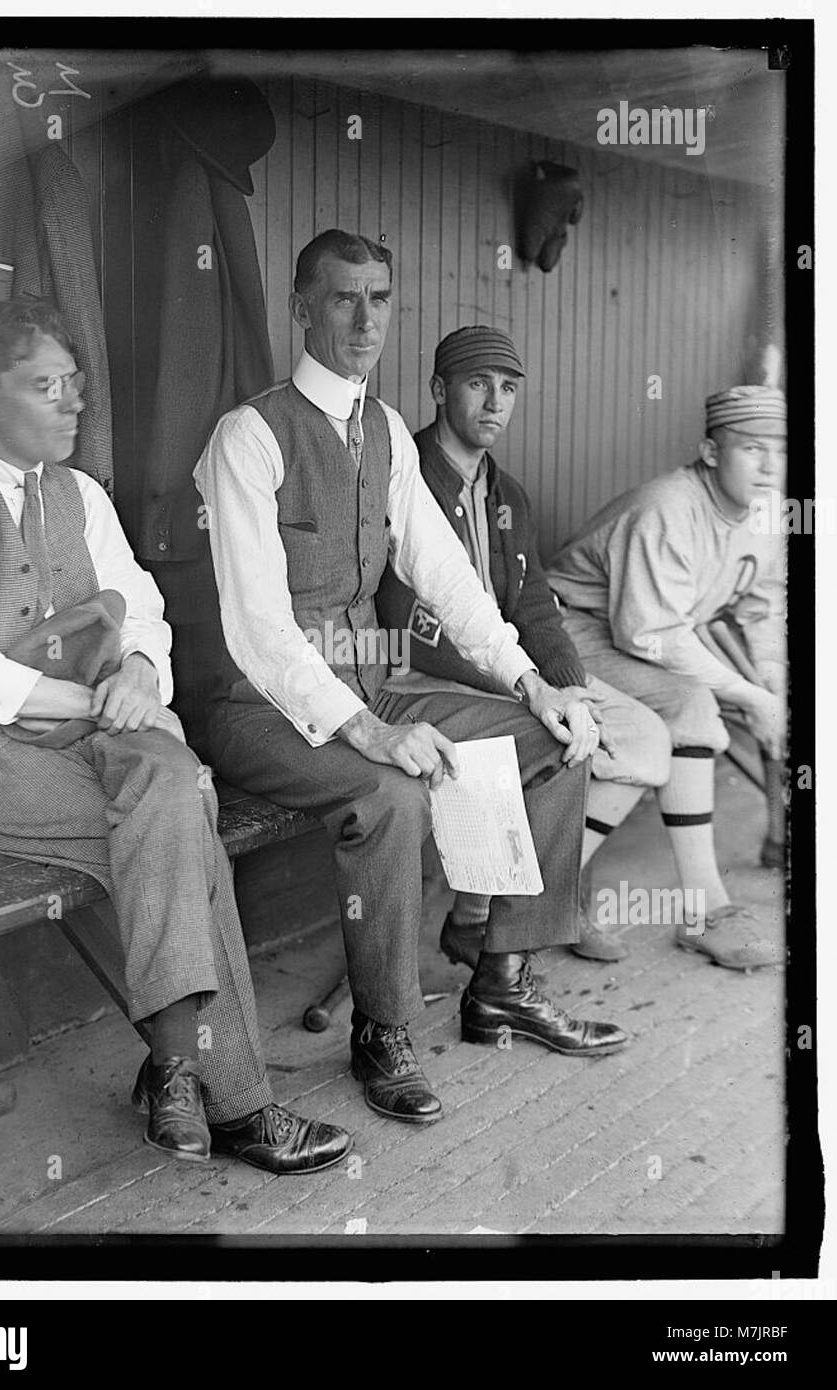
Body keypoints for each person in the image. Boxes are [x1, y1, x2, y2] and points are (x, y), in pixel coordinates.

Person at [195, 229, 628, 1131]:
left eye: (379, 298)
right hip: (258, 701)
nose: (364, 319)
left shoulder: (387, 430)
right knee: (389, 793)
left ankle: (501, 979)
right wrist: (367, 730)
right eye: (343, 298)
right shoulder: (250, 435)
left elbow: (447, 575)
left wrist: (530, 683)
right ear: (302, 307)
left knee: (553, 739)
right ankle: (383, 1031)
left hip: (370, 677)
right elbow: (259, 631)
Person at [0, 297, 352, 1174]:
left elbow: (145, 611)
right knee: (182, 808)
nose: (73, 403)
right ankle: (228, 1096)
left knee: (173, 790)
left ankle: (176, 1071)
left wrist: (137, 674)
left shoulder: (80, 493)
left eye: (74, 384)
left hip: (99, 723)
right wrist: (102, 705)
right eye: (44, 386)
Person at [375, 324, 673, 965]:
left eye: (508, 388)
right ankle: (507, 930)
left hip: (518, 676)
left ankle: (491, 909)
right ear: (438, 389)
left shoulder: (508, 494)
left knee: (642, 739)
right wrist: (529, 691)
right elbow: (407, 623)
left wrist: (569, 686)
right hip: (421, 683)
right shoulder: (406, 476)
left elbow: (534, 604)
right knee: (550, 740)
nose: (495, 403)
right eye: (478, 384)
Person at [546, 384, 787, 970]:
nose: (771, 465)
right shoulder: (667, 507)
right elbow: (649, 635)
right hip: (565, 631)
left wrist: (774, 687)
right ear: (709, 452)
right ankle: (530, 898)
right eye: (752, 448)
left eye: (781, 449)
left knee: (697, 706)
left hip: (639, 632)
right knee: (693, 706)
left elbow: (759, 609)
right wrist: (751, 697)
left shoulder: (766, 511)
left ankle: (702, 910)